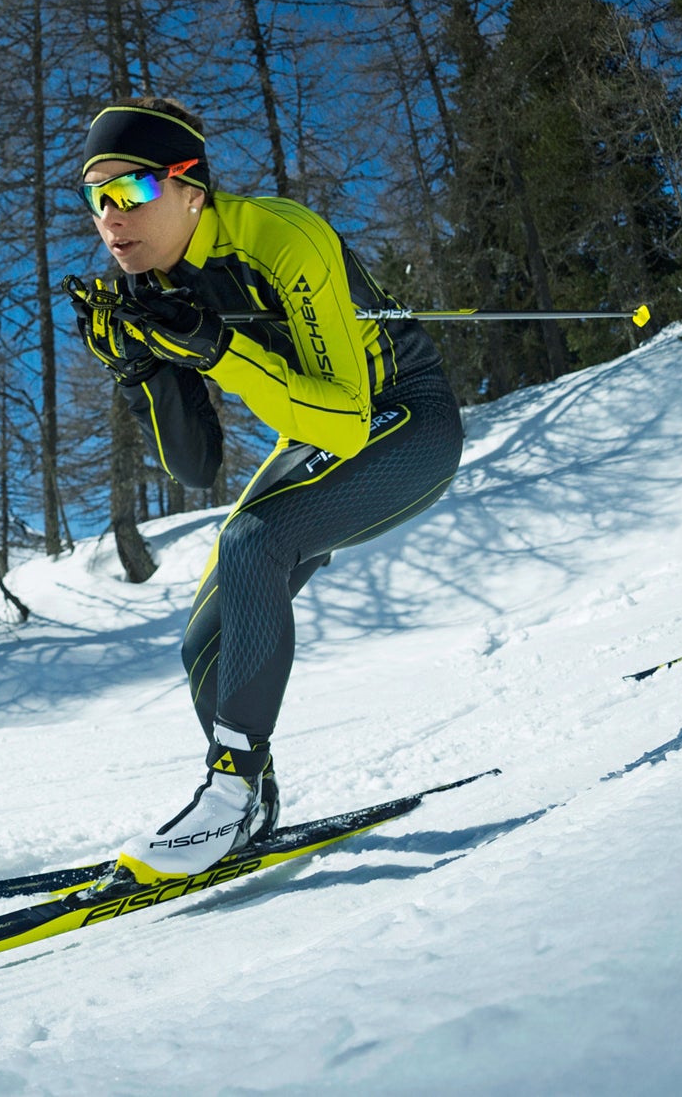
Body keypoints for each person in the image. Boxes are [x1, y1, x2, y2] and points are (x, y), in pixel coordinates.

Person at [63, 99, 461, 884]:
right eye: (95, 197)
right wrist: (141, 367)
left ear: (192, 191)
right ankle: (255, 803)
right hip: (315, 432)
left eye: (132, 190)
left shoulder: (283, 238)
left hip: (405, 418)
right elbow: (195, 466)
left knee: (256, 541)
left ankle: (230, 793)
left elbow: (347, 421)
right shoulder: (154, 281)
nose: (112, 217)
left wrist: (216, 347)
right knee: (203, 642)